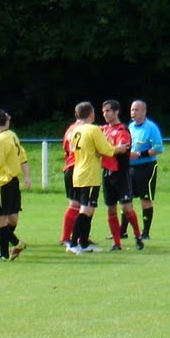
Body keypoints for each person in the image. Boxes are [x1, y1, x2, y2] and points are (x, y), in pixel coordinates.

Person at [64, 102, 116, 255]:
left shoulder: (75, 130)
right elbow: (106, 149)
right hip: (89, 174)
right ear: (91, 114)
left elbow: (74, 149)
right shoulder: (93, 129)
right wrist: (118, 148)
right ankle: (73, 243)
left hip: (79, 172)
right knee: (85, 209)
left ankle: (84, 242)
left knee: (90, 209)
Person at [0, 109, 30, 263]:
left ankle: (3, 254)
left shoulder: (0, 140)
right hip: (13, 181)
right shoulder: (12, 135)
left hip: (4, 181)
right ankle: (15, 243)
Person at [101, 99, 142, 250]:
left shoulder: (122, 130)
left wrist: (106, 149)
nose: (105, 114)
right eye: (103, 111)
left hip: (120, 173)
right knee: (110, 209)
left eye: (108, 111)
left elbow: (123, 148)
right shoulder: (103, 129)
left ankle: (138, 235)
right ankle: (117, 243)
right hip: (107, 172)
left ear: (116, 112)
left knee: (126, 208)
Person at [127, 99, 164, 245]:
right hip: (130, 168)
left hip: (146, 167)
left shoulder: (151, 127)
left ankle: (146, 232)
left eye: (136, 110)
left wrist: (140, 155)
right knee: (127, 198)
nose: (133, 113)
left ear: (144, 111)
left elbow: (158, 148)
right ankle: (123, 231)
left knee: (145, 199)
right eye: (132, 110)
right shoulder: (130, 127)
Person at [58, 110, 83, 249]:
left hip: (69, 166)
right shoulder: (82, 130)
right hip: (77, 167)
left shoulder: (70, 129)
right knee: (77, 204)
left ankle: (78, 236)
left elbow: (66, 150)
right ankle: (66, 238)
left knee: (77, 205)